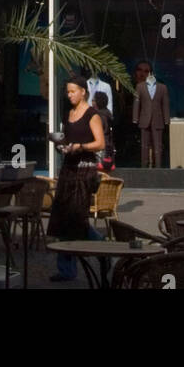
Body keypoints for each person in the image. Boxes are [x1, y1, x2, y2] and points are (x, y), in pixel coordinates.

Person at [47, 75, 106, 281]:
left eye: (73, 91)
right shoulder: (69, 113)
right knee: (63, 217)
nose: (70, 95)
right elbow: (68, 139)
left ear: (83, 92)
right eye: (68, 91)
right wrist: (61, 145)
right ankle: (66, 270)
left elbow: (100, 143)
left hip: (84, 171)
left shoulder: (92, 115)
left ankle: (104, 250)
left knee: (78, 219)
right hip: (68, 170)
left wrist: (81, 147)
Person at [93, 90, 115, 172]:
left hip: (100, 150)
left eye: (94, 100)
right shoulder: (107, 114)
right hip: (107, 148)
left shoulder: (99, 116)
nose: (92, 102)